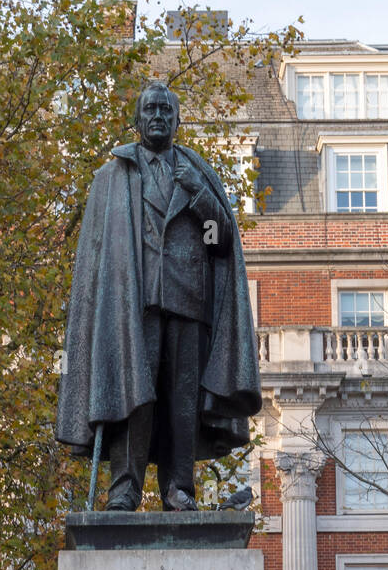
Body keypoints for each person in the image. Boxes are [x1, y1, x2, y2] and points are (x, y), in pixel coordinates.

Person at [56, 80, 261, 512]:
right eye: (150, 110)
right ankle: (125, 489)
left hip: (188, 304)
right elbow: (95, 257)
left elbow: (220, 242)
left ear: (177, 120)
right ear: (136, 120)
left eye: (166, 111)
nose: (158, 117)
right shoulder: (113, 177)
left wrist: (202, 198)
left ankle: (179, 488)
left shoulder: (199, 173)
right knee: (133, 395)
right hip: (132, 304)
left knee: (182, 401)